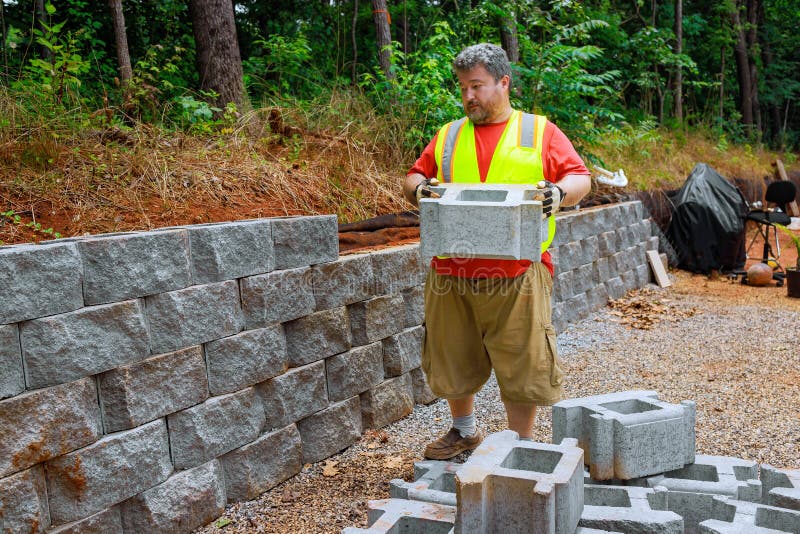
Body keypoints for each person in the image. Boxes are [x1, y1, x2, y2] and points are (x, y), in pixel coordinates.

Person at [402, 43, 591, 460]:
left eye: (477, 86)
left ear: (503, 83)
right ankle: (464, 431)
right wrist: (420, 188)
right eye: (463, 87)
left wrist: (558, 193)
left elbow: (580, 178)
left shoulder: (538, 132)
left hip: (519, 271)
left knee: (523, 362)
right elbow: (416, 174)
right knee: (453, 355)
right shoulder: (450, 135)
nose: (469, 96)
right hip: (451, 269)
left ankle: (520, 446)